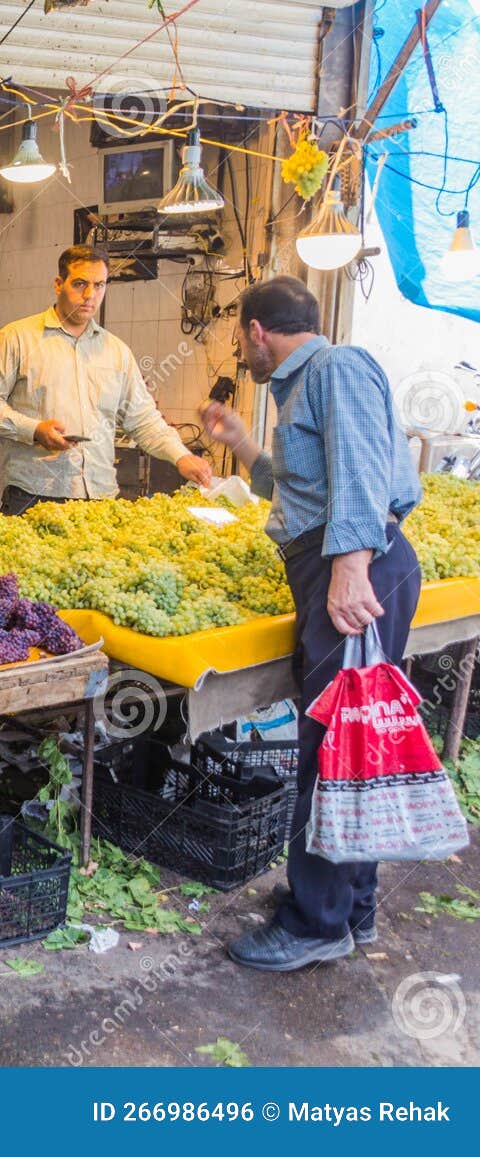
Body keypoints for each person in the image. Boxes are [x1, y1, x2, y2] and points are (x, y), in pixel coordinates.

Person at [200, 276, 422, 972]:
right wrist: (242, 443)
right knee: (354, 744)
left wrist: (350, 569)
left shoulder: (336, 367)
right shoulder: (300, 387)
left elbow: (360, 474)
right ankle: (349, 908)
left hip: (354, 567)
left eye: (242, 340)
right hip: (340, 563)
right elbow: (302, 488)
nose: (244, 352)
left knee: (331, 752)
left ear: (257, 331)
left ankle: (317, 921)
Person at [0, 244, 213, 514]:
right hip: (33, 496)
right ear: (58, 284)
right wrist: (35, 430)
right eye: (80, 284)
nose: (90, 295)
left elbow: (143, 418)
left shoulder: (116, 351)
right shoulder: (16, 338)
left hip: (99, 497)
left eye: (99, 285)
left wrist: (181, 456)